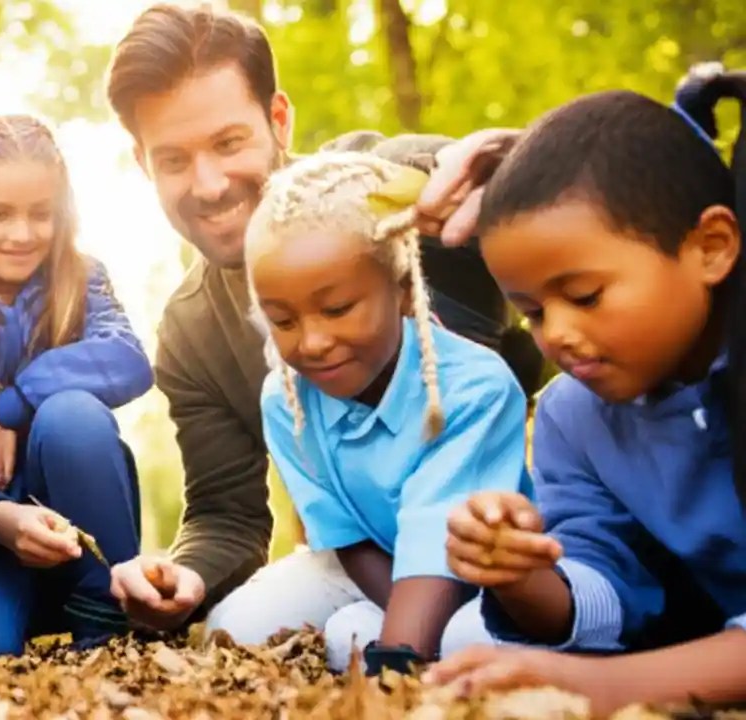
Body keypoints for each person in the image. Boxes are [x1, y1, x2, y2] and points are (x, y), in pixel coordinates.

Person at [103, 1, 538, 635]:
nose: (209, 183)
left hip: (490, 526)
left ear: (278, 119)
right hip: (360, 552)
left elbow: (573, 184)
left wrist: (502, 162)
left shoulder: (388, 189)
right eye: (173, 159)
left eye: (229, 143)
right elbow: (226, 510)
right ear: (143, 162)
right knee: (236, 630)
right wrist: (185, 576)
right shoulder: (191, 333)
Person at [429, 68, 746, 714]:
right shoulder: (573, 417)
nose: (558, 336)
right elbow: (606, 592)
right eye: (534, 313)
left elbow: (608, 674)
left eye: (585, 296)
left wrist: (605, 688)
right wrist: (523, 576)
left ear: (711, 248)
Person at [211, 150, 531, 671]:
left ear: (404, 291)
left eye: (337, 309)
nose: (311, 343)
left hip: (484, 580)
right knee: (236, 628)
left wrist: (399, 657)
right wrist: (395, 625)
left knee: (466, 642)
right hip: (375, 566)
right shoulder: (285, 400)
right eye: (283, 320)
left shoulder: (476, 389)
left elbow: (438, 540)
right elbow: (347, 538)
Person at [0, 114, 154, 661]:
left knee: (72, 414)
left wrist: (16, 402)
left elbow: (129, 360)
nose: (22, 234)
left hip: (80, 544)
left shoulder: (82, 280)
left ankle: (108, 614)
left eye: (40, 214)